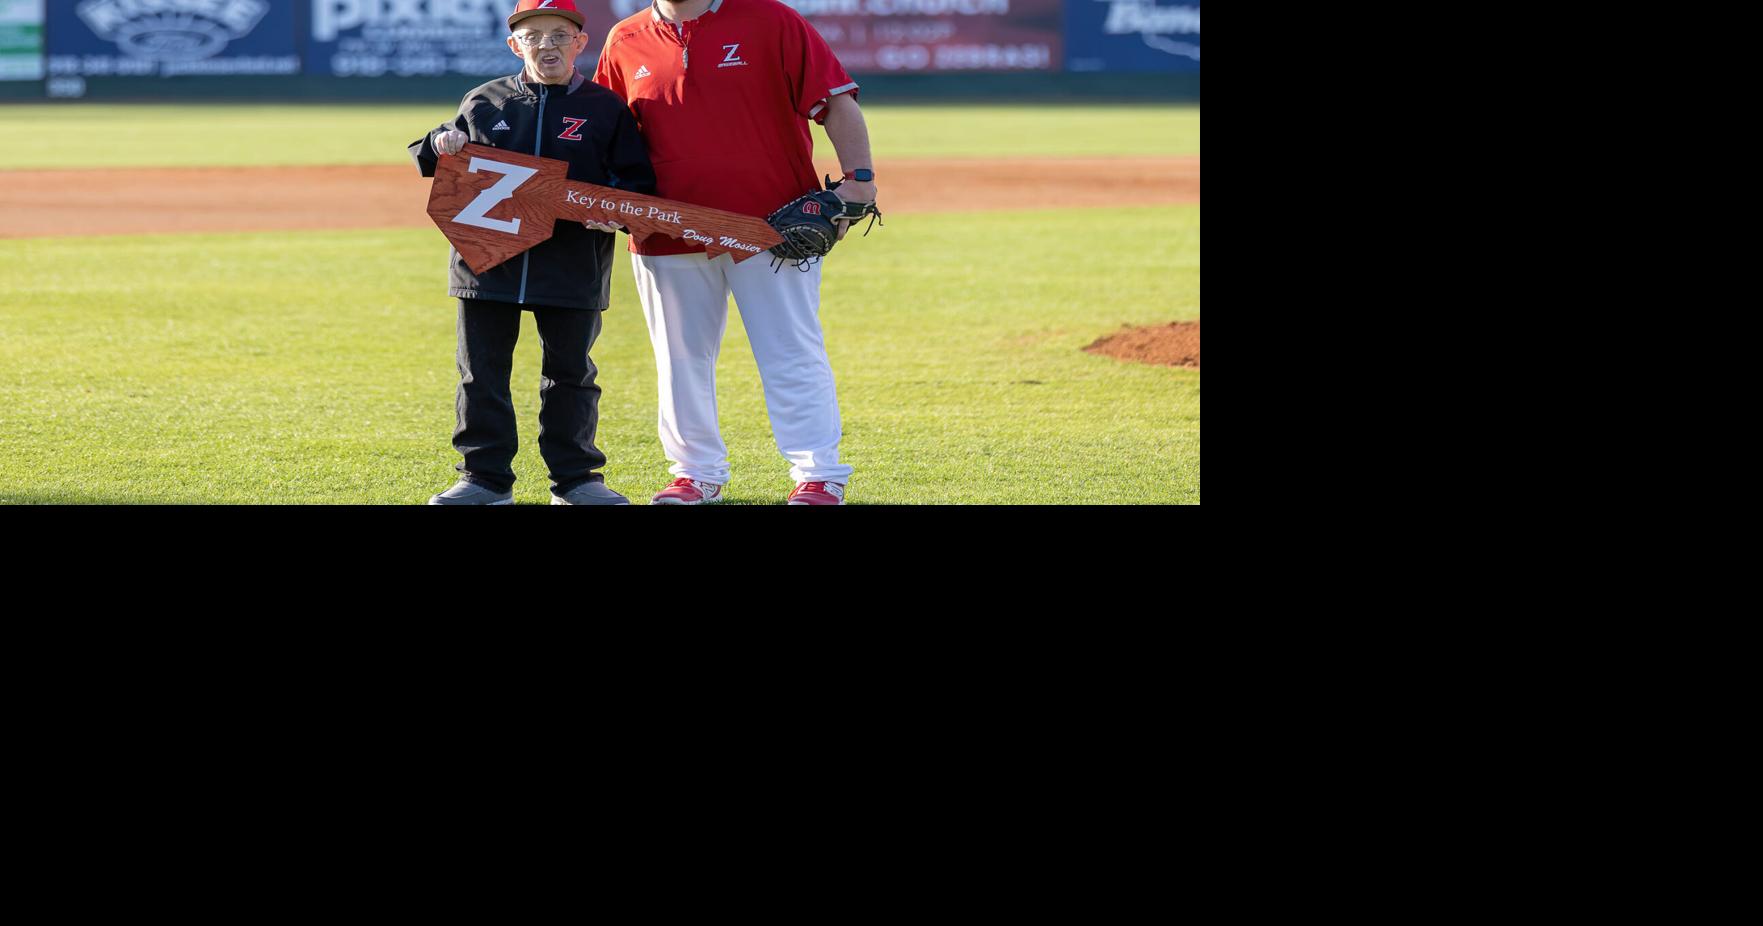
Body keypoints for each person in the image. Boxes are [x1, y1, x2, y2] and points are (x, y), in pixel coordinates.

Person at [593, 0, 879, 506]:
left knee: (790, 349)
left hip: (769, 226)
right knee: (679, 358)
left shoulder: (771, 20)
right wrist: (605, 198)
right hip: (665, 229)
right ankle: (694, 473)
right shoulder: (624, 38)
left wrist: (859, 183)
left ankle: (818, 473)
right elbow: (604, 136)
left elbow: (835, 101)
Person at [410, 0, 657, 506]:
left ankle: (576, 480)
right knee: (481, 373)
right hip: (487, 263)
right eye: (535, 35)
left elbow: (635, 182)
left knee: (570, 374)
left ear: (580, 42)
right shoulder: (484, 101)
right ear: (515, 44)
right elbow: (430, 153)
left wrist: (614, 210)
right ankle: (483, 479)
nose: (548, 45)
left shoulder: (604, 108)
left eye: (560, 35)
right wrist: (442, 140)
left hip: (572, 264)